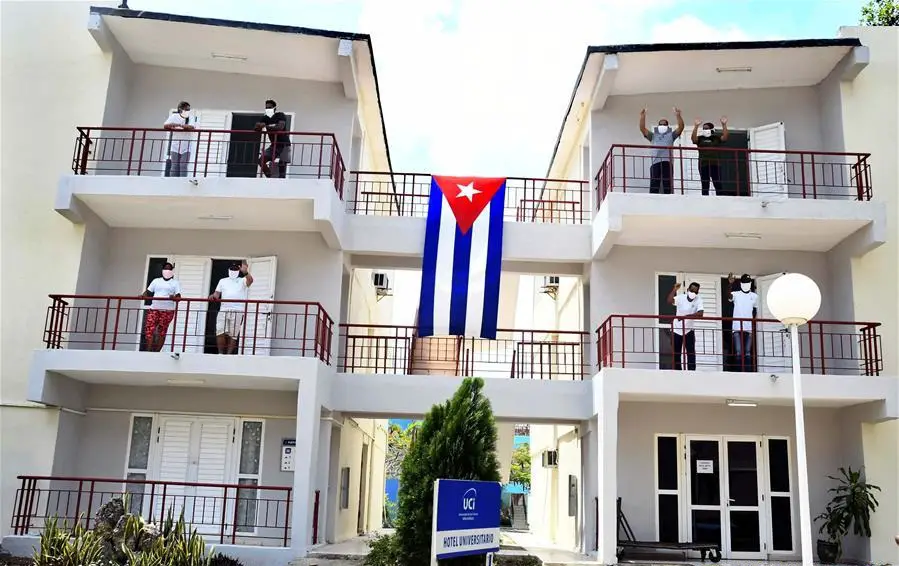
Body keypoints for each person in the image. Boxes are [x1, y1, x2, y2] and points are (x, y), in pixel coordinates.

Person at [209, 260, 254, 354]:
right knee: (220, 332)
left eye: (236, 268)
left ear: (239, 270)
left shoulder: (242, 280)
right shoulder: (223, 281)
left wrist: (245, 272)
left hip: (238, 310)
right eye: (232, 268)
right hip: (224, 309)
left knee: (233, 335)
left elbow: (250, 280)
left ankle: (229, 354)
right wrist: (212, 296)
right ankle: (221, 353)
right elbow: (216, 294)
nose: (233, 270)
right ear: (229, 270)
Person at [639, 107, 685, 194]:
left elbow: (681, 127)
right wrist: (642, 116)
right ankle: (652, 199)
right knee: (654, 183)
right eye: (660, 124)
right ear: (658, 126)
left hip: (667, 162)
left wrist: (678, 115)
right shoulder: (653, 136)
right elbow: (642, 129)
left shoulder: (671, 135)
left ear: (667, 126)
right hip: (655, 162)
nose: (662, 125)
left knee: (667, 183)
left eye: (664, 124)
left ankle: (669, 198)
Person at [141, 262, 182, 351]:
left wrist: (173, 297)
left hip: (167, 311)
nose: (167, 271)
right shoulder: (156, 281)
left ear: (172, 271)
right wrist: (142, 295)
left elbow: (179, 297)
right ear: (163, 270)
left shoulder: (175, 283)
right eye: (166, 269)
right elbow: (148, 291)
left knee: (161, 332)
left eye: (169, 269)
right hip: (154, 309)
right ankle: (148, 351)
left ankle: (157, 352)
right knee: (149, 330)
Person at [667, 281, 704, 371]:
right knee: (676, 353)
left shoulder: (698, 300)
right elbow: (669, 301)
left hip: (689, 330)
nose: (693, 293)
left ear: (697, 293)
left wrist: (686, 317)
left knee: (691, 354)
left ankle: (691, 373)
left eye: (695, 292)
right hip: (677, 329)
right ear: (687, 290)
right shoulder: (681, 297)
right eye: (691, 290)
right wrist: (674, 289)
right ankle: (677, 372)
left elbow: (700, 314)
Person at [728, 273, 758, 371]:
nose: (746, 284)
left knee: (748, 352)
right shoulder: (736, 294)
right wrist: (730, 284)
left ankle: (748, 372)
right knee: (738, 352)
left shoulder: (754, 296)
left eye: (748, 282)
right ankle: (739, 372)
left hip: (748, 328)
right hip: (737, 327)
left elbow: (756, 311)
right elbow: (729, 297)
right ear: (741, 283)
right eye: (744, 282)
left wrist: (753, 323)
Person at [691, 117, 729, 195]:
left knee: (717, 183)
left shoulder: (716, 138)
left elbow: (725, 138)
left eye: (707, 128)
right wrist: (696, 126)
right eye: (704, 128)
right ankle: (705, 200)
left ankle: (720, 199)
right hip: (703, 164)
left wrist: (724, 125)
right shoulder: (700, 138)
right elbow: (694, 140)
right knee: (705, 184)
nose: (705, 130)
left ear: (711, 129)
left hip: (715, 164)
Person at [255, 99, 291, 178]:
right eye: (266, 108)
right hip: (274, 145)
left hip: (284, 144)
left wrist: (265, 126)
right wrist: (258, 126)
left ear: (274, 108)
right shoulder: (265, 118)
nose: (268, 109)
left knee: (282, 166)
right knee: (261, 161)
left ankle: (281, 182)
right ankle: (270, 177)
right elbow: (256, 129)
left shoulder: (280, 115)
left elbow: (280, 127)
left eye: (270, 107)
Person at [162, 101, 195, 177]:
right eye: (186, 109)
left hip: (186, 145)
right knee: (174, 165)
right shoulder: (174, 116)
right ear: (180, 109)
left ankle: (182, 182)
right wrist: (173, 125)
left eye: (188, 109)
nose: (187, 111)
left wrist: (180, 125)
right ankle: (173, 182)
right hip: (175, 145)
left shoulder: (191, 117)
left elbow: (191, 127)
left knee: (183, 165)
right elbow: (165, 126)